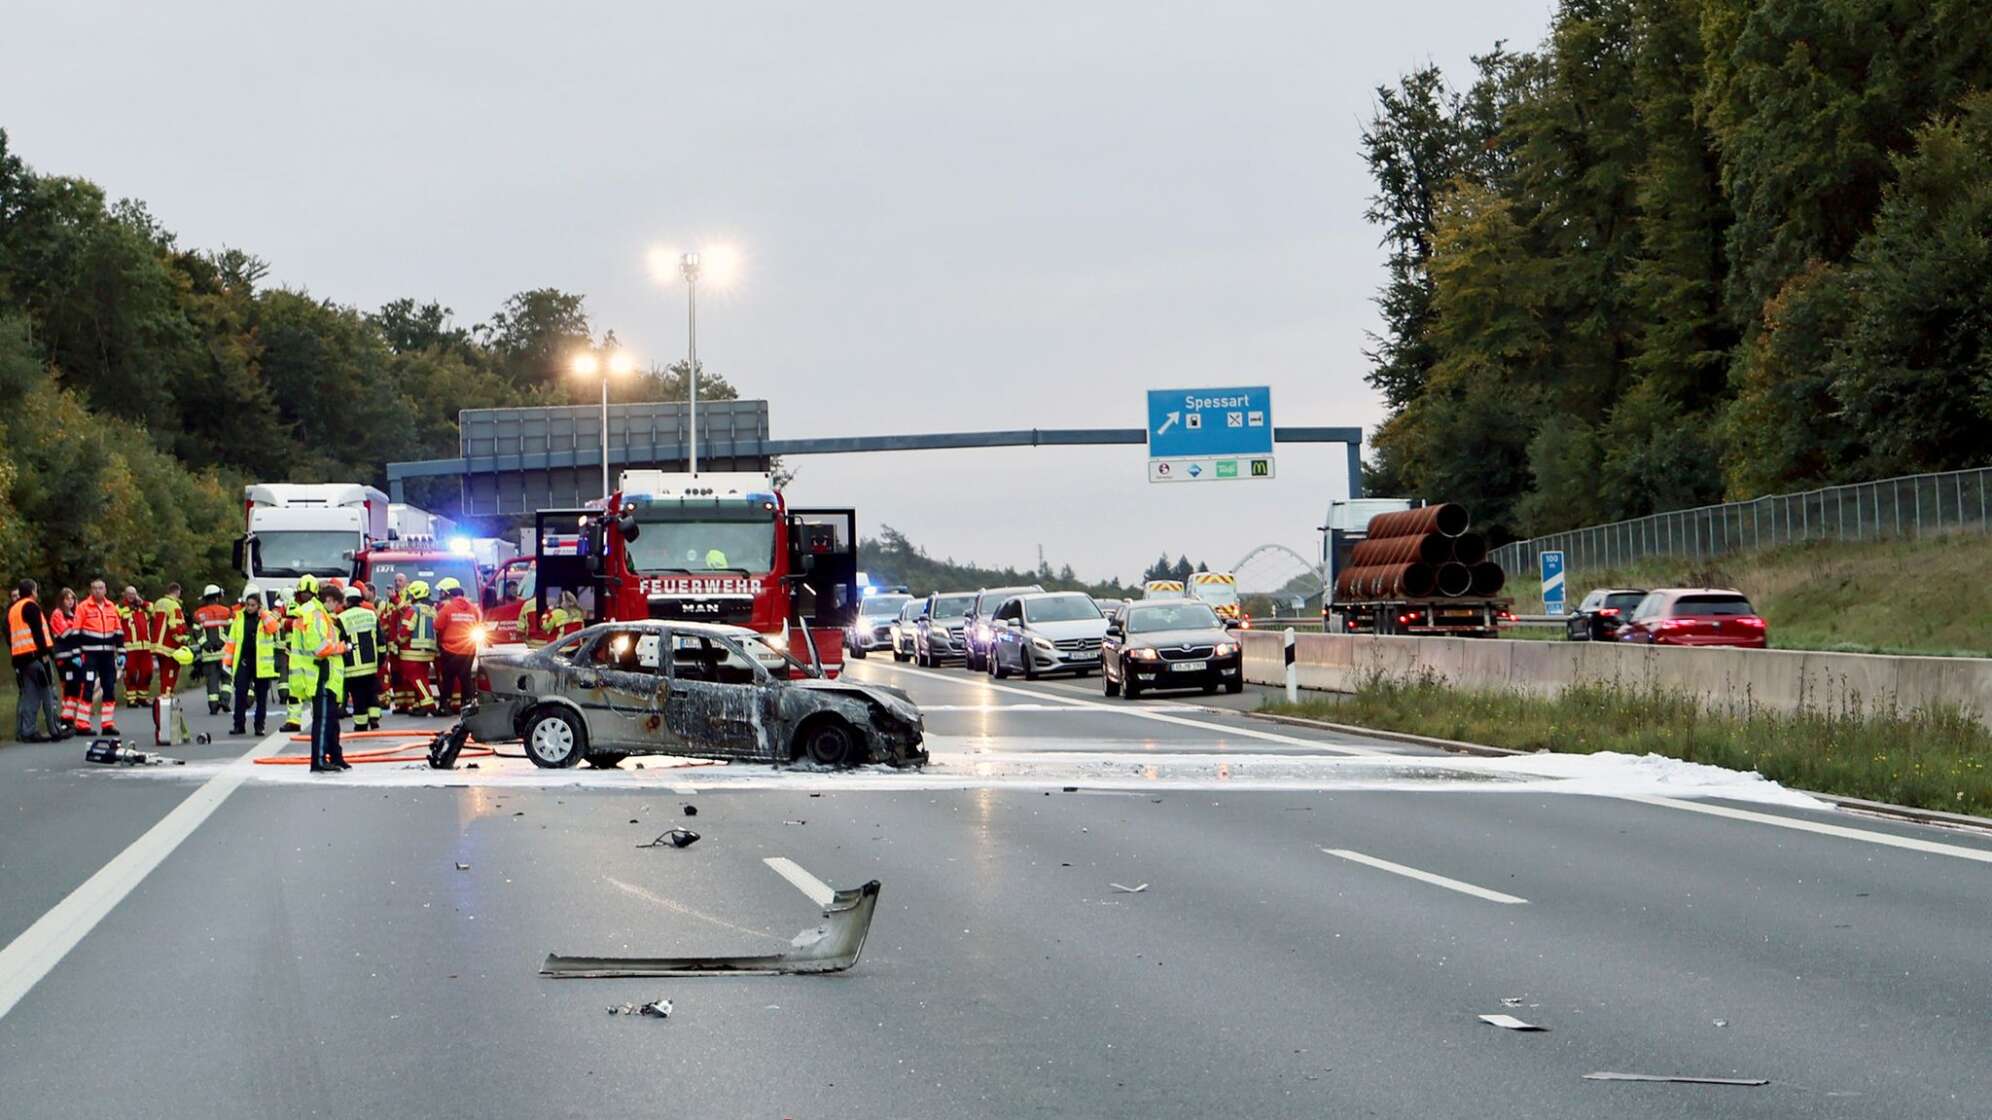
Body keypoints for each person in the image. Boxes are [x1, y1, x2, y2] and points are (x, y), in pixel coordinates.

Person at [296, 581, 349, 771]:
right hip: (321, 676)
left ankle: (335, 756)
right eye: (336, 604)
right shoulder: (317, 615)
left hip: (327, 676)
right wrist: (343, 648)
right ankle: (318, 761)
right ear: (329, 600)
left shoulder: (321, 614)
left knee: (332, 722)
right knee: (323, 721)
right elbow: (319, 648)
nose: (337, 609)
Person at [10, 580, 65, 742]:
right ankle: (54, 729)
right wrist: (45, 653)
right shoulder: (31, 606)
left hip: (21, 658)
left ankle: (27, 731)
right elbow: (38, 632)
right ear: (33, 591)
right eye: (36, 590)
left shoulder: (14, 609)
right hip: (35, 656)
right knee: (47, 692)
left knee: (30, 695)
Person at [224, 585, 281, 736]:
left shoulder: (265, 617)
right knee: (240, 694)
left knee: (261, 698)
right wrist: (227, 662)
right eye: (248, 605)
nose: (249, 608)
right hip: (244, 661)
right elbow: (232, 641)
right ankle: (239, 725)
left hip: (261, 664)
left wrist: (264, 614)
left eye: (253, 605)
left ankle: (259, 726)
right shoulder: (239, 618)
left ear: (259, 606)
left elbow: (275, 628)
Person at [72, 580, 124, 735]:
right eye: (94, 588)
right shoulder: (83, 607)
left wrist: (122, 653)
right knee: (88, 687)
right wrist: (76, 653)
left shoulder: (112, 608)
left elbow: (118, 632)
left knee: (109, 687)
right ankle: (82, 724)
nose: (97, 591)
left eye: (100, 588)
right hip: (90, 654)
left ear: (105, 590)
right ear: (90, 590)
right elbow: (75, 632)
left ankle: (107, 724)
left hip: (108, 654)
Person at [432, 577, 482, 716]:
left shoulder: (447, 608)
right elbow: (478, 625)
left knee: (448, 678)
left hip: (450, 649)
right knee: (465, 677)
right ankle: (468, 705)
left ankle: (444, 706)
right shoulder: (473, 608)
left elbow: (437, 626)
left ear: (449, 594)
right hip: (469, 649)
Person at [338, 584, 382, 732]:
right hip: (371, 664)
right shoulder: (371, 615)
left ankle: (361, 724)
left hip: (352, 666)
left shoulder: (341, 618)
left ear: (348, 601)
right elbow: (381, 642)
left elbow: (340, 642)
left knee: (358, 697)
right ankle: (374, 718)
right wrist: (380, 660)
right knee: (371, 692)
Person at [280, 577, 318, 733]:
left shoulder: (317, 608)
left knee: (315, 691)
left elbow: (296, 624)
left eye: (309, 593)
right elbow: (282, 621)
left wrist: (287, 623)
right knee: (294, 691)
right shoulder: (291, 605)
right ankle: (293, 721)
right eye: (304, 593)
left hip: (313, 657)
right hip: (295, 655)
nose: (306, 596)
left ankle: (318, 719)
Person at [396, 580, 439, 715]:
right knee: (422, 678)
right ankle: (421, 704)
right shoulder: (432, 610)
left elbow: (406, 630)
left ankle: (428, 704)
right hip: (428, 651)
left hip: (412, 651)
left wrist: (398, 640)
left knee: (416, 678)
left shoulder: (413, 609)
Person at [191, 585, 233, 714]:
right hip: (225, 653)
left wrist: (206, 645)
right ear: (217, 597)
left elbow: (196, 633)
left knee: (212, 681)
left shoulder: (198, 614)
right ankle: (225, 701)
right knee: (227, 679)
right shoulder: (226, 611)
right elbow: (231, 630)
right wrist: (222, 642)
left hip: (208, 655)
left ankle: (213, 706)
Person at [148, 582, 189, 703]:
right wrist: (182, 640)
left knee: (163, 671)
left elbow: (154, 619)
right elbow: (174, 626)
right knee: (171, 670)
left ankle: (163, 693)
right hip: (169, 645)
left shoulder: (159, 603)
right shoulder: (174, 605)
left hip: (157, 644)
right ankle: (167, 694)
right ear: (177, 592)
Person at [49, 587, 83, 730]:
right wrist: (79, 630)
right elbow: (66, 634)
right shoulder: (57, 614)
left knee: (75, 687)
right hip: (64, 656)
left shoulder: (74, 614)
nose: (70, 601)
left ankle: (69, 718)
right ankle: (65, 719)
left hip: (76, 656)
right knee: (68, 686)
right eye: (67, 598)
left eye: (72, 598)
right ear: (61, 600)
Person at [118, 585, 154, 707]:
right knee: (131, 674)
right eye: (129, 594)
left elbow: (153, 611)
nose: (132, 596)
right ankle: (131, 699)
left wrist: (141, 603)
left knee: (147, 672)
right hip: (129, 647)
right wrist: (129, 607)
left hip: (146, 647)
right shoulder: (121, 608)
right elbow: (117, 615)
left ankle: (142, 697)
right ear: (125, 594)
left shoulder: (143, 608)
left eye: (134, 594)